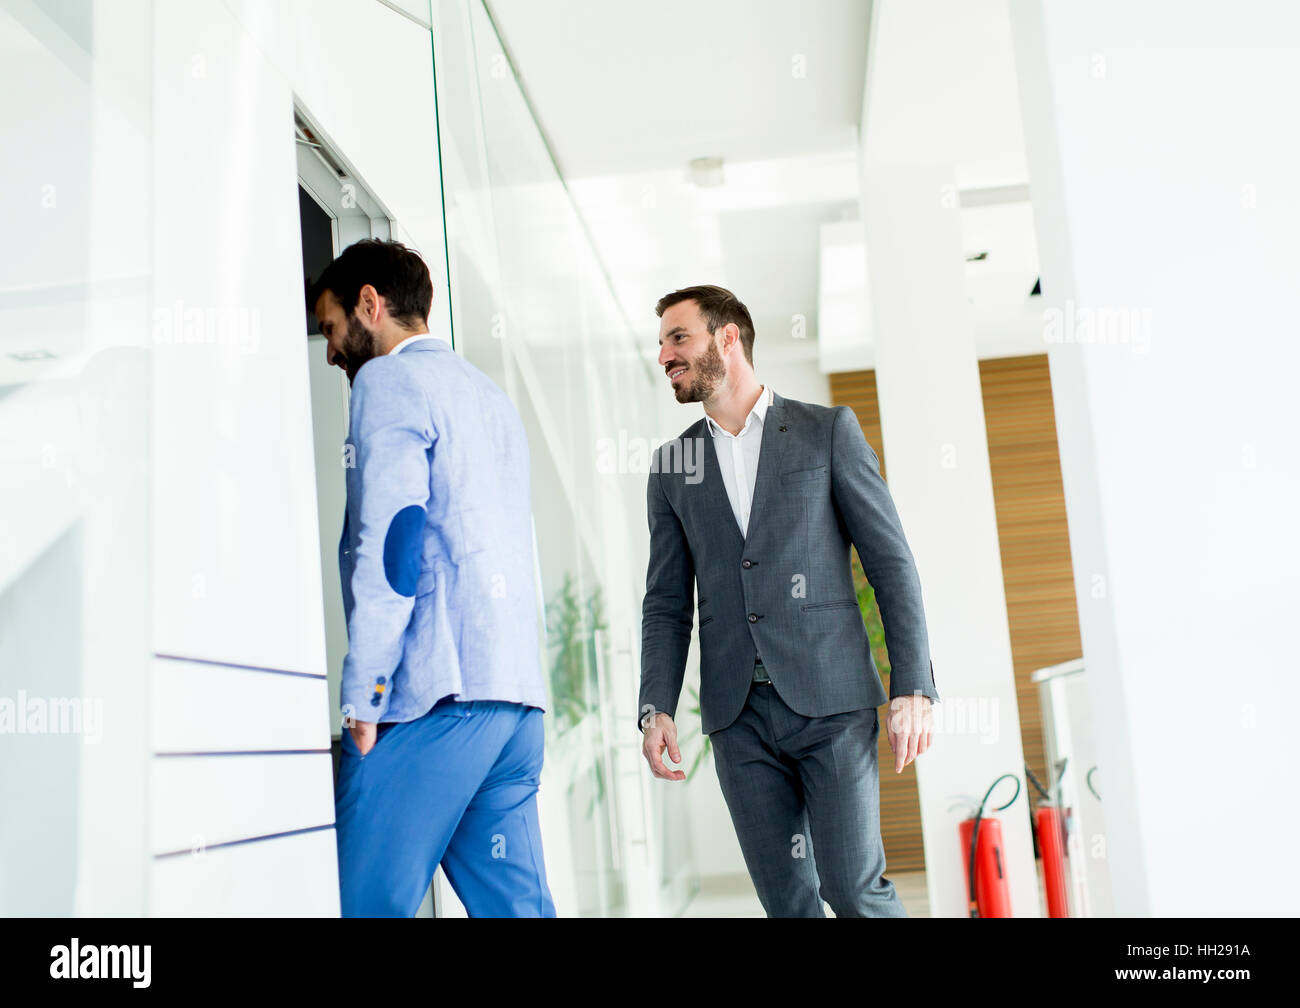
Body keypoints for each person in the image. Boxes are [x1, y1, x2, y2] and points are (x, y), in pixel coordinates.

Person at [638, 284, 938, 917]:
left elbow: (890, 562)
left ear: (728, 338)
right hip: (736, 715)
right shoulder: (673, 466)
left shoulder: (826, 432)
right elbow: (666, 600)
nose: (663, 354)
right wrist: (655, 706)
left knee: (854, 888)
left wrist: (913, 685)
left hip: (830, 704)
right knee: (787, 903)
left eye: (677, 337)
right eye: (661, 341)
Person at [310, 239, 554, 917]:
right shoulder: (487, 393)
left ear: (370, 303)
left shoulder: (387, 381)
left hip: (434, 701)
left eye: (332, 329)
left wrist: (366, 688)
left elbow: (396, 539)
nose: (331, 352)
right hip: (511, 705)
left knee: (360, 904)